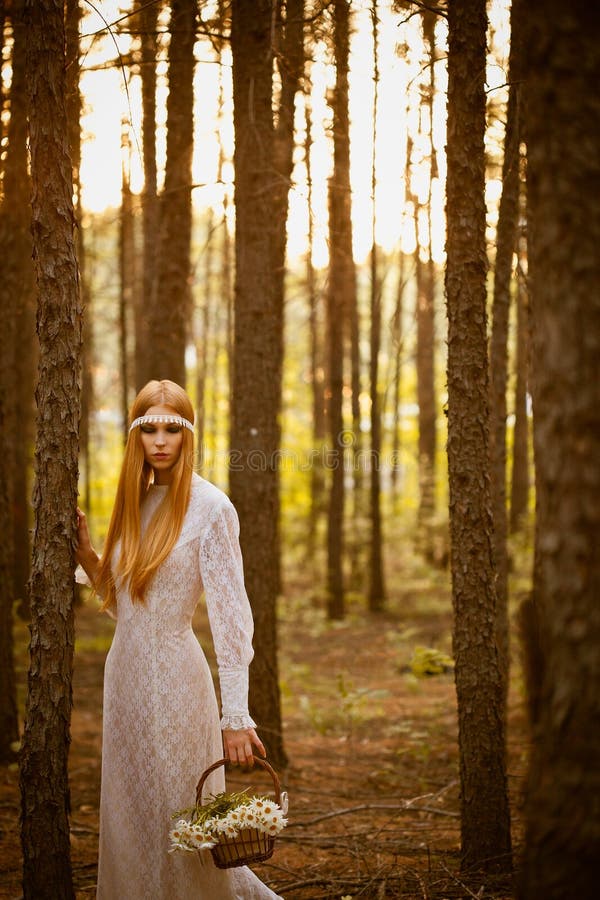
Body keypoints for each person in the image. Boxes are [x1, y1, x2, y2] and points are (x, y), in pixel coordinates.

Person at [76, 379, 283, 900]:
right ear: (135, 436)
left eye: (173, 428)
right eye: (150, 429)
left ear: (188, 435)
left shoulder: (212, 508)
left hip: (177, 676)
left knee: (182, 815)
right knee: (131, 809)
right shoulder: (134, 503)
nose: (161, 440)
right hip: (123, 674)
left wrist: (235, 718)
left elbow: (233, 620)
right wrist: (84, 552)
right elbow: (125, 597)